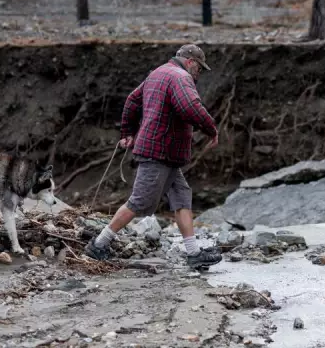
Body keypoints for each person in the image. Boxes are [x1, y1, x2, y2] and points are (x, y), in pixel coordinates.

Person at [84, 44, 223, 270]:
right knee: (140, 201)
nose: (198, 74)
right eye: (199, 68)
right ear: (190, 62)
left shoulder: (158, 73)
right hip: (158, 152)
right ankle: (99, 244)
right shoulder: (181, 77)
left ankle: (193, 253)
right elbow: (190, 106)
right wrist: (211, 129)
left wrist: (128, 132)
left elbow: (132, 100)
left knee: (181, 197)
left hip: (167, 154)